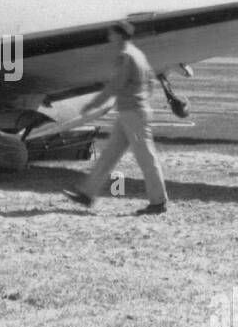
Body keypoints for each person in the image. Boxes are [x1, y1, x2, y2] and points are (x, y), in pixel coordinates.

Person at [62, 20, 169, 215]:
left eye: (112, 33)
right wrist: (143, 100)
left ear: (119, 35)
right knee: (110, 154)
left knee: (145, 156)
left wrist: (92, 104)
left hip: (132, 113)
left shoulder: (125, 56)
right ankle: (87, 193)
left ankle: (158, 201)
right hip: (132, 112)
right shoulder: (138, 54)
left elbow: (114, 85)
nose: (109, 36)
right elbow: (151, 81)